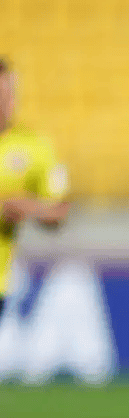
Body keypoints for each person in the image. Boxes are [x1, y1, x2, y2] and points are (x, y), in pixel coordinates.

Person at [0, 58, 70, 316]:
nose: (4, 103)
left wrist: (31, 208)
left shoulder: (34, 146)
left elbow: (59, 209)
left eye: (8, 95)